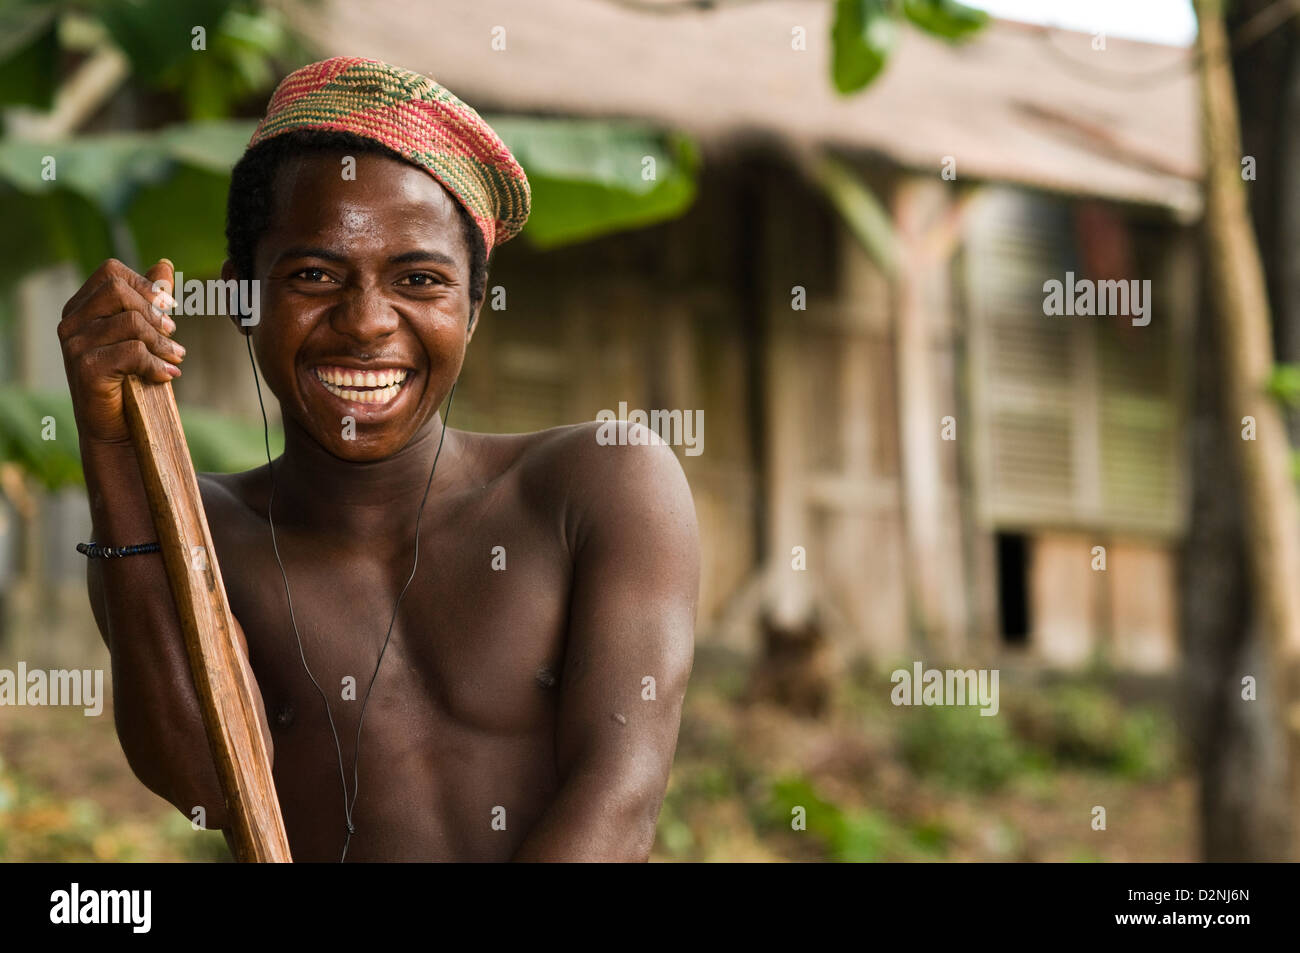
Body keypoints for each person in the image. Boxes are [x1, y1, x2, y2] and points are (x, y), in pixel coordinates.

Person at [57, 57, 698, 862]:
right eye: (316, 274)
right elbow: (205, 787)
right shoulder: (190, 535)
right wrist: (115, 444)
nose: (365, 323)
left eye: (420, 279)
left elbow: (621, 799)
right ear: (243, 298)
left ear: (473, 308)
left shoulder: (601, 485)